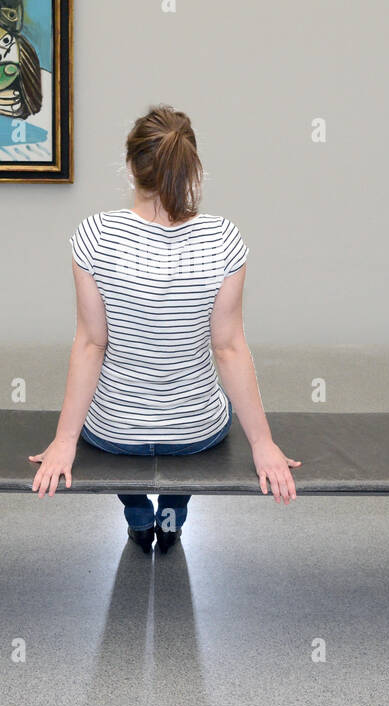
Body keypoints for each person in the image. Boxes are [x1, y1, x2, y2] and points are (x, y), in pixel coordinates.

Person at [28, 105, 300, 553]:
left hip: (115, 433)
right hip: (197, 433)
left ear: (131, 165)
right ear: (192, 167)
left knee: (117, 432)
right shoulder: (223, 238)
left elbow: (92, 343)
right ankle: (172, 520)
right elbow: (229, 348)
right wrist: (263, 444)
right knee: (193, 438)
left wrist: (63, 442)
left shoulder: (95, 235)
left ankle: (137, 515)